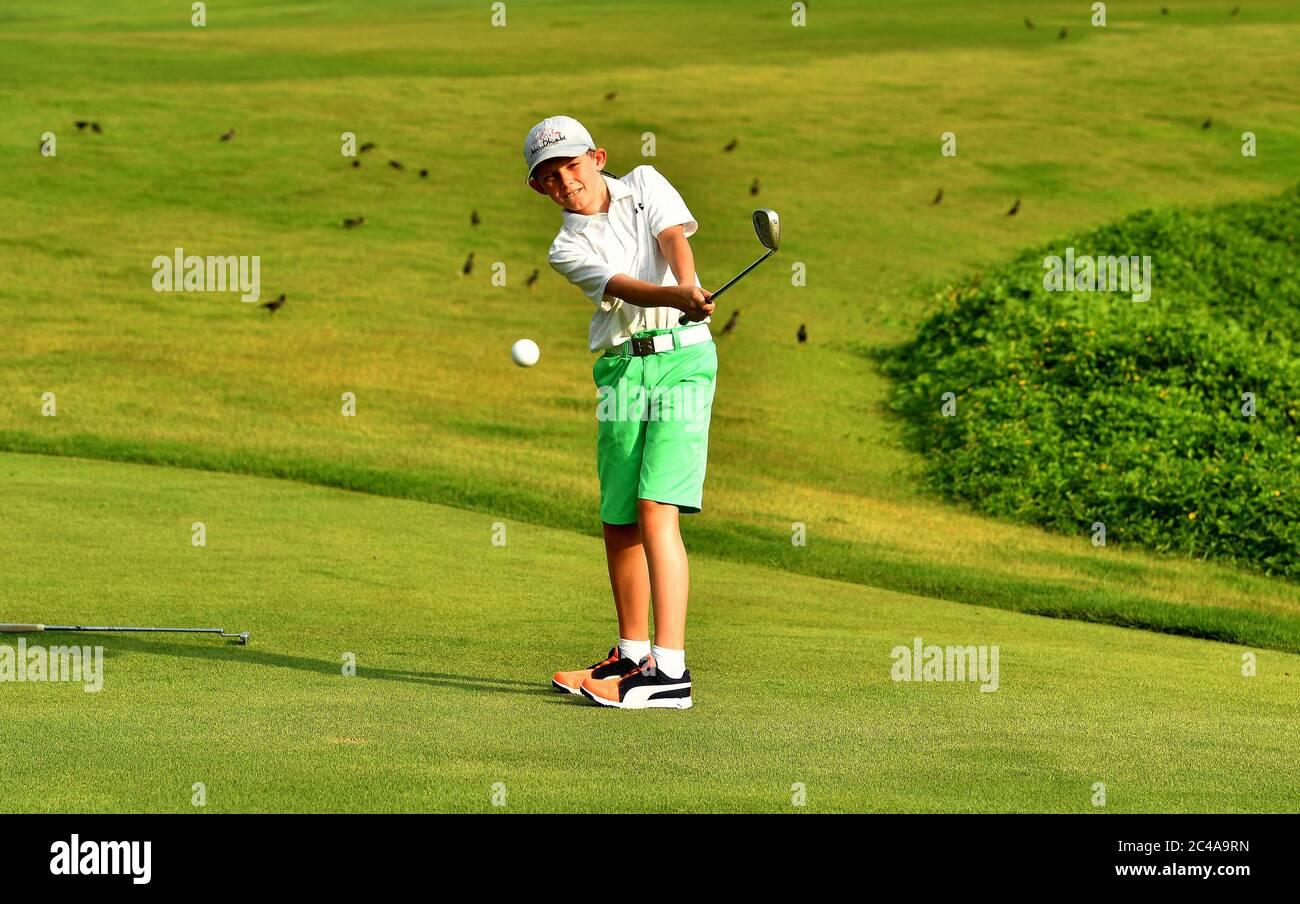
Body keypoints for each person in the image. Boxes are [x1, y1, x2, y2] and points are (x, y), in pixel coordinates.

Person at [523, 115, 717, 709]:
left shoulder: (649, 183)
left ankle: (671, 671)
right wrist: (676, 296)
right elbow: (626, 286)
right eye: (550, 178)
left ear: (598, 157)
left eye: (572, 166)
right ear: (540, 189)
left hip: (683, 361)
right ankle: (632, 655)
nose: (566, 182)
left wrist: (688, 289)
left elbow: (673, 240)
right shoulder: (565, 246)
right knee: (619, 515)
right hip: (619, 370)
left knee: (657, 505)